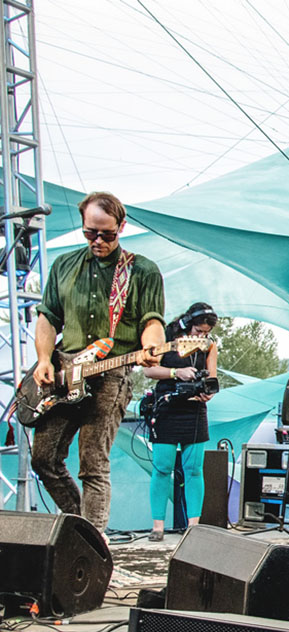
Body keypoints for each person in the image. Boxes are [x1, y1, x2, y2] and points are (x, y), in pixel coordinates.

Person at [31, 191, 165, 536]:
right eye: (91, 233)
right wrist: (44, 359)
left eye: (108, 234)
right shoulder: (64, 265)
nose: (99, 241)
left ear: (122, 226)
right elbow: (47, 317)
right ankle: (81, 529)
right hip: (64, 370)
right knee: (43, 459)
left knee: (93, 464)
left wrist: (151, 344)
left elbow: (152, 321)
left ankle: (92, 545)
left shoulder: (142, 270)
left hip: (110, 373)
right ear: (83, 226)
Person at [143, 303, 219, 540]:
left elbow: (212, 377)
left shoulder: (209, 345)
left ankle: (193, 526)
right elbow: (148, 371)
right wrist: (177, 373)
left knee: (194, 470)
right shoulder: (165, 339)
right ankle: (158, 526)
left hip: (194, 410)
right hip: (166, 407)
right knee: (162, 468)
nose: (202, 336)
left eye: (206, 333)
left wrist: (208, 391)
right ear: (187, 325)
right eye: (198, 332)